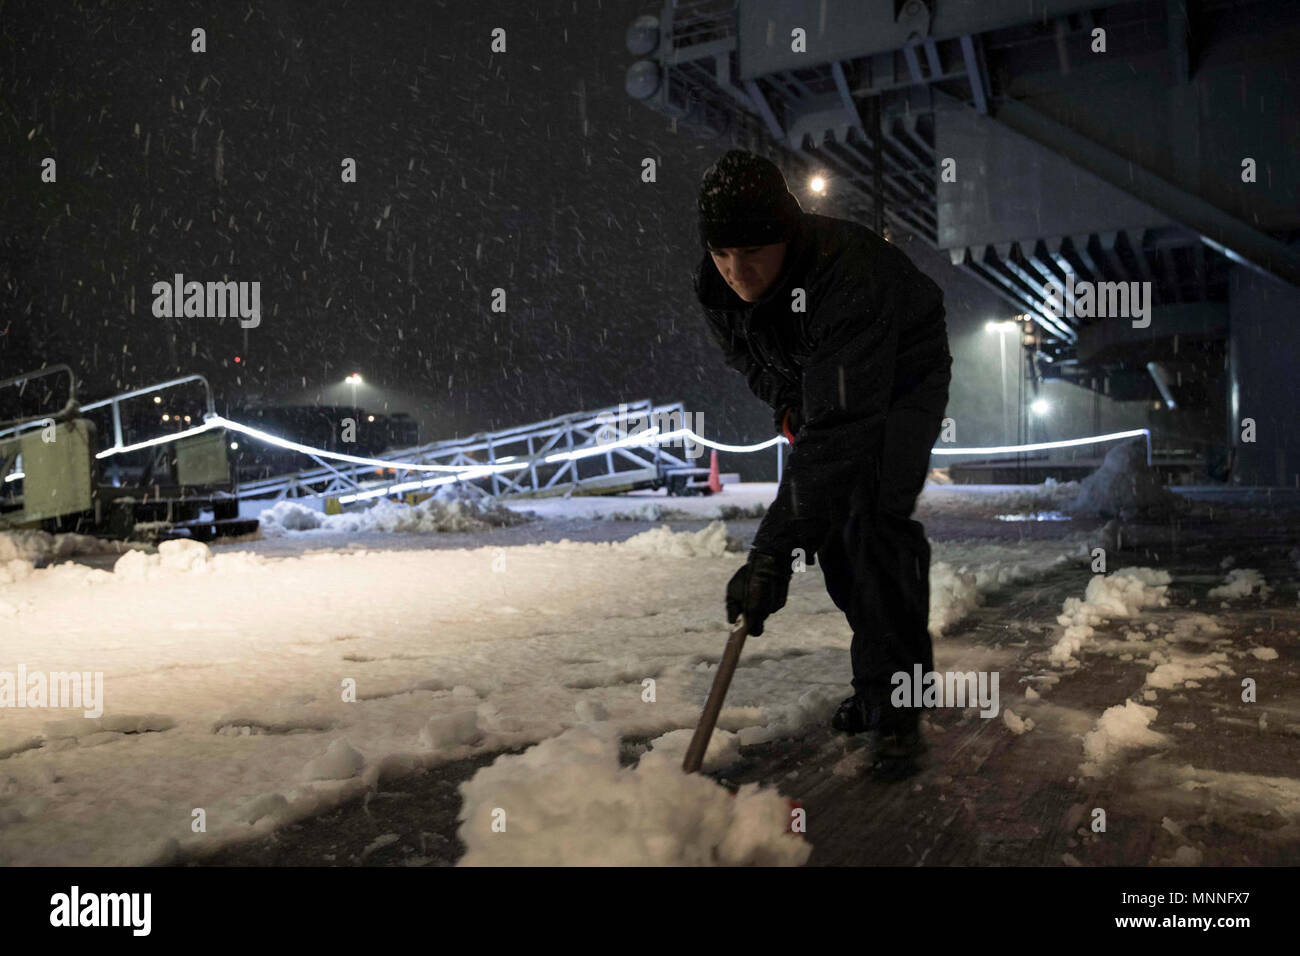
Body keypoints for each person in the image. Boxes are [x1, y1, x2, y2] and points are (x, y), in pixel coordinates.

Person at [693, 149, 952, 762]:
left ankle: (895, 705)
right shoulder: (716, 287)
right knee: (834, 532)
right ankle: (880, 685)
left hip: (903, 375)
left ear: (786, 235)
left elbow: (841, 432)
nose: (737, 271)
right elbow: (756, 363)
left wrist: (771, 553)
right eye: (722, 253)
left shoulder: (849, 275)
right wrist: (792, 407)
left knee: (873, 518)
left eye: (753, 253)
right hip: (825, 380)